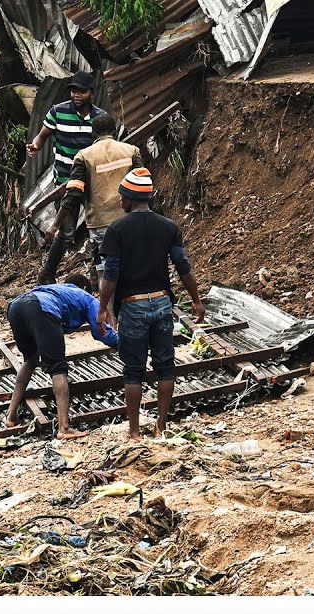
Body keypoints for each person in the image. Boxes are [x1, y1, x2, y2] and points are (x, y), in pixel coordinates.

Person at [97, 168, 205, 440]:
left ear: (129, 198)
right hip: (161, 304)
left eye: (122, 196)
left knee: (134, 371)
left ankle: (134, 432)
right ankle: (161, 428)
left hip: (132, 306)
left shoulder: (117, 229)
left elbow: (111, 274)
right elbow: (183, 266)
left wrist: (103, 309)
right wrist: (195, 299)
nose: (120, 201)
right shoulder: (168, 227)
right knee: (165, 367)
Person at [4, 273, 119, 440]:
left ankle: (10, 416)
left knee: (30, 360)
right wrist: (127, 344)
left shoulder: (56, 290)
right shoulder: (85, 296)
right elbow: (102, 333)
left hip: (16, 307)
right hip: (41, 308)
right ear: (85, 288)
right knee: (58, 368)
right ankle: (64, 428)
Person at [40, 113, 141, 286]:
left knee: (105, 272)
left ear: (93, 134)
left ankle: (107, 310)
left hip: (100, 222)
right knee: (133, 265)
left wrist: (56, 224)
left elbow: (74, 193)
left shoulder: (83, 156)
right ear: (115, 132)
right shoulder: (131, 151)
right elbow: (142, 185)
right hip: (130, 220)